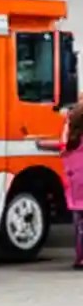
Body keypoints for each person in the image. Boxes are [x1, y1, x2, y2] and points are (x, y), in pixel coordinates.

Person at [61, 104, 83, 270]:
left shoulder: (71, 145)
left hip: (76, 188)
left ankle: (80, 256)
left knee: (79, 223)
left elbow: (62, 145)